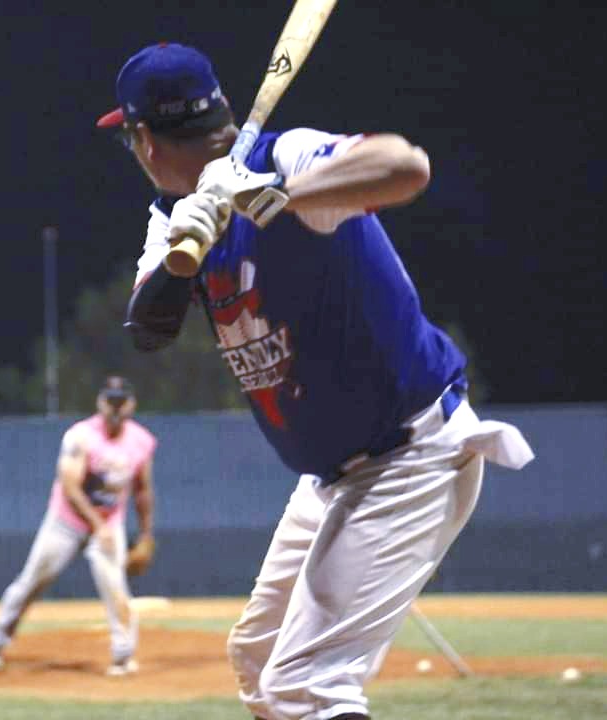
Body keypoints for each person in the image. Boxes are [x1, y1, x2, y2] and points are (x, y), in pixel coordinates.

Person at [99, 43, 535, 720]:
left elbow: (404, 166)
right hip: (330, 476)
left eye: (129, 137)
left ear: (146, 140)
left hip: (409, 453)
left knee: (307, 687)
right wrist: (184, 257)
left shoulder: (284, 158)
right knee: (258, 657)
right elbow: (147, 330)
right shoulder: (173, 214)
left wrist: (273, 201)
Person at [0, 376, 157, 677]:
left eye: (120, 401)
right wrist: (98, 525)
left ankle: (123, 656)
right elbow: (71, 487)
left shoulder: (141, 441)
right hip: (66, 521)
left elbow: (143, 490)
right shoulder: (80, 436)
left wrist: (146, 534)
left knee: (115, 585)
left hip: (108, 523)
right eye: (110, 400)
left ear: (131, 404)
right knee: (32, 581)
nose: (115, 407)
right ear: (100, 402)